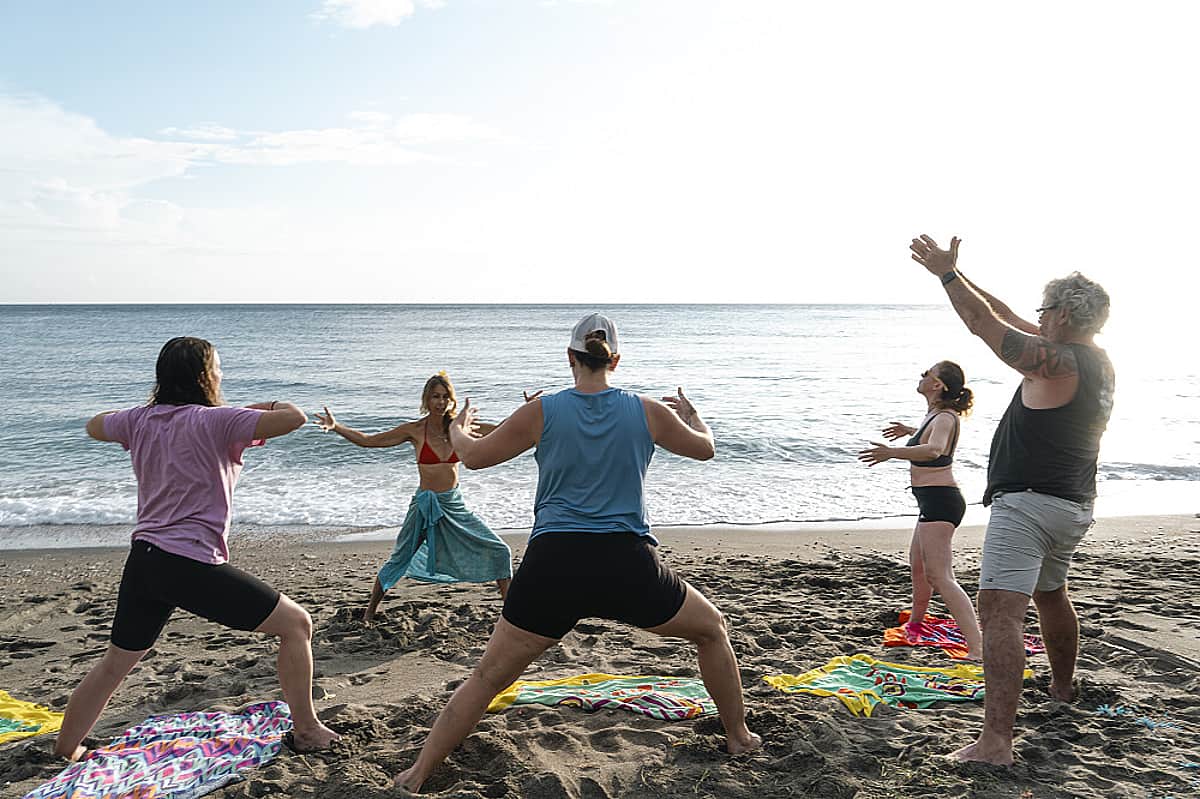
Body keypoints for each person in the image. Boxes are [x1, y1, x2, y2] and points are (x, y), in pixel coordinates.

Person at [394, 313, 761, 792]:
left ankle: (418, 773)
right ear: (616, 359)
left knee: (487, 677)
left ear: (570, 358)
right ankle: (738, 737)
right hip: (627, 565)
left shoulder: (543, 410)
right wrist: (694, 417)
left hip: (554, 566)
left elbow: (474, 456)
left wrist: (458, 427)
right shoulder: (648, 410)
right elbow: (706, 449)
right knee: (712, 631)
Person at [54, 336, 339, 760]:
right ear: (207, 376)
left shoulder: (139, 421)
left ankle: (66, 748)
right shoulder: (218, 421)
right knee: (296, 624)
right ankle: (308, 730)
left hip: (145, 561)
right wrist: (262, 404)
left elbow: (94, 425)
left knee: (117, 661)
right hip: (187, 563)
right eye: (219, 368)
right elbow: (293, 418)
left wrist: (134, 417)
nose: (222, 374)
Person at [909, 235, 1115, 766]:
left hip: (1029, 505)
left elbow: (983, 326)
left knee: (1001, 612)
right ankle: (1063, 689)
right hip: (1072, 504)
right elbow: (1000, 314)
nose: (1036, 317)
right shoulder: (1093, 358)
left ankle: (995, 742)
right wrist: (963, 273)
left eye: (1044, 310)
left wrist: (946, 277)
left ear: (1065, 316)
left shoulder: (1054, 362)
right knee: (1051, 594)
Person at [314, 373, 513, 623]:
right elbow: (370, 441)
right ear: (427, 400)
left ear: (451, 400)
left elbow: (506, 433)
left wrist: (526, 410)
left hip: (454, 505)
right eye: (435, 397)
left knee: (499, 550)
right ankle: (369, 612)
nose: (440, 402)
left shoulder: (461, 428)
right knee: (400, 557)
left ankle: (510, 614)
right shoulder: (415, 430)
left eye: (445, 397)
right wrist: (337, 427)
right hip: (424, 505)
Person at [858, 360, 982, 659]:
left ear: (938, 385)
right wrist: (910, 431)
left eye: (928, 374)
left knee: (941, 577)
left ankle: (978, 647)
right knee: (918, 565)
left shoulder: (945, 417)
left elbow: (935, 449)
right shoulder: (936, 415)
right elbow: (930, 438)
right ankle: (917, 622)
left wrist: (892, 452)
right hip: (932, 501)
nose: (922, 376)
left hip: (941, 502)